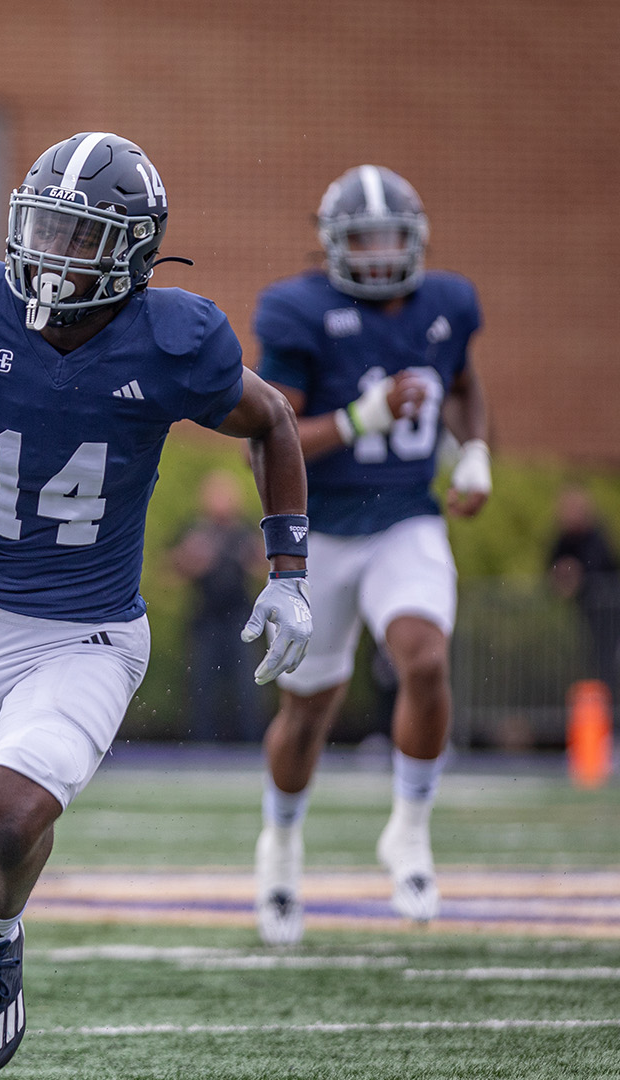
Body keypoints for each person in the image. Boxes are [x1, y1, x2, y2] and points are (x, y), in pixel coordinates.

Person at [0, 132, 311, 1079]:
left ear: (134, 254)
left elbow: (274, 421)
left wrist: (289, 567)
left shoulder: (174, 339)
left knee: (9, 818)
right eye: (45, 224)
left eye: (82, 235)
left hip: (88, 632)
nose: (54, 250)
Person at [250, 165, 492, 948]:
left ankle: (410, 829)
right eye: (365, 240)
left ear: (416, 239)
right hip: (318, 531)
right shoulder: (298, 311)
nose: (382, 254)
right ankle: (282, 843)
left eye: (393, 238)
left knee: (423, 660)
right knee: (310, 708)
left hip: (405, 520)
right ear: (333, 246)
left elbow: (461, 384)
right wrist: (361, 416)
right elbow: (271, 435)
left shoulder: (447, 303)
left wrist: (475, 451)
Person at [169, 470, 267, 741]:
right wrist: (193, 559)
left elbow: (265, 568)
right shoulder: (195, 529)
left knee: (248, 684)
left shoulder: (245, 529)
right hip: (205, 618)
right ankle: (201, 741)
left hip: (240, 618)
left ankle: (251, 740)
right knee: (201, 685)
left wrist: (252, 557)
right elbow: (172, 570)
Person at [549, 486, 620, 694]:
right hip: (588, 616)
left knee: (608, 662)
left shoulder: (596, 536)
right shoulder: (564, 539)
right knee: (597, 663)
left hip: (610, 616)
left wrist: (574, 575)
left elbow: (596, 569)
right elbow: (552, 565)